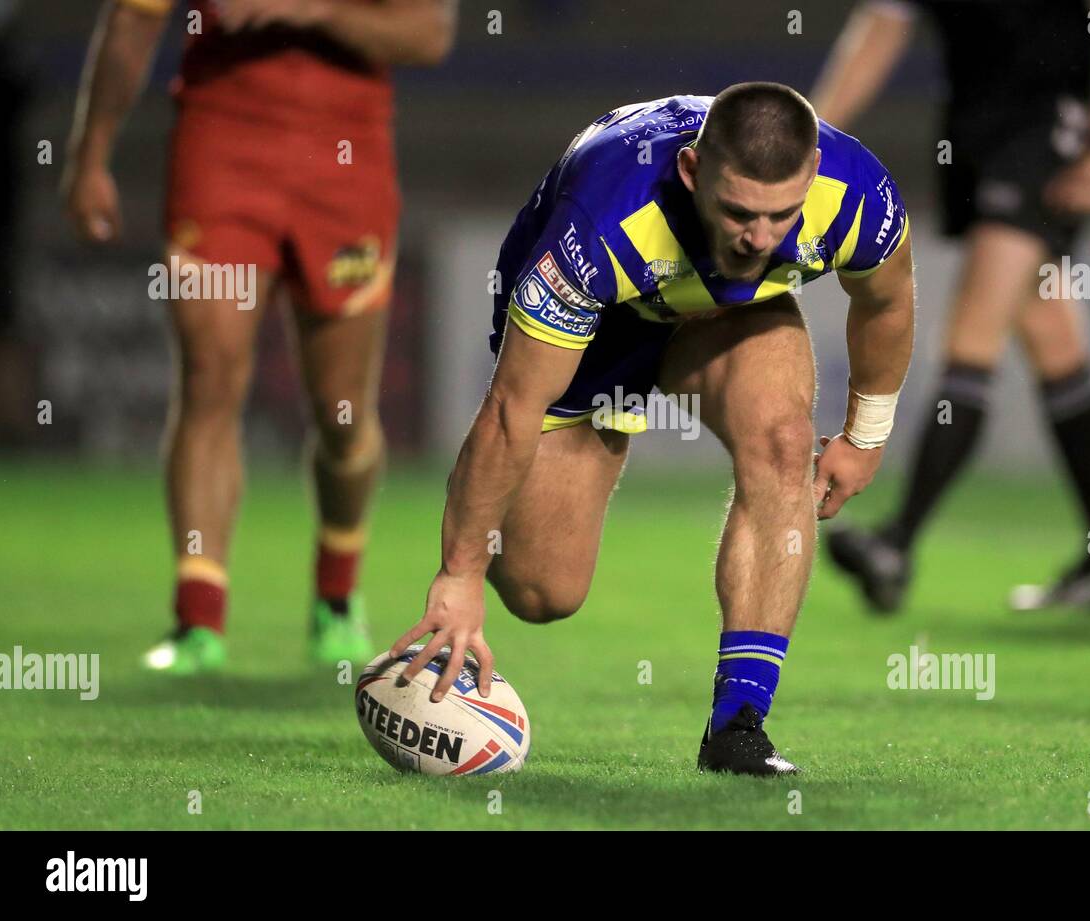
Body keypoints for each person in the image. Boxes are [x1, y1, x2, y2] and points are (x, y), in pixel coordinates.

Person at [389, 84, 916, 775]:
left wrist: (866, 434)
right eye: (737, 213)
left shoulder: (856, 196)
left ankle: (738, 726)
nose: (759, 239)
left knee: (785, 442)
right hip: (602, 333)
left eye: (779, 217)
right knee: (543, 592)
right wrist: (458, 574)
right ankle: (595, 442)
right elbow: (511, 411)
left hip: (729, 313)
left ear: (812, 174)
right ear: (693, 172)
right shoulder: (599, 223)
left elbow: (885, 299)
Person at [62, 0, 458, 673]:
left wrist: (310, 9)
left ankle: (336, 595)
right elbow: (133, 17)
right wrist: (90, 152)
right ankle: (197, 618)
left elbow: (428, 33)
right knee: (209, 381)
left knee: (342, 414)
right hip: (222, 149)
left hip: (345, 160)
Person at [811, 0, 1090, 613]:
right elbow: (880, 28)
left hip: (1048, 129)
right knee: (1050, 333)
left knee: (974, 332)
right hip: (976, 130)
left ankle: (898, 541)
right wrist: (807, 138)